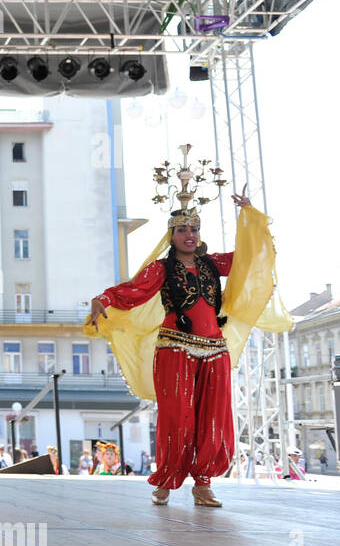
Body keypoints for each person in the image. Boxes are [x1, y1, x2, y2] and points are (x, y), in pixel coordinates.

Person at [87, 181, 290, 507]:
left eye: (194, 228)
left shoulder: (213, 263)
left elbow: (252, 257)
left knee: (214, 419)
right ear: (171, 236)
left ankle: (204, 483)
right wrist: (105, 299)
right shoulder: (162, 268)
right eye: (182, 229)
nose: (189, 234)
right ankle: (166, 481)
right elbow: (134, 290)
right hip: (175, 349)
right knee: (177, 417)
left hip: (215, 350)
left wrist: (250, 216)